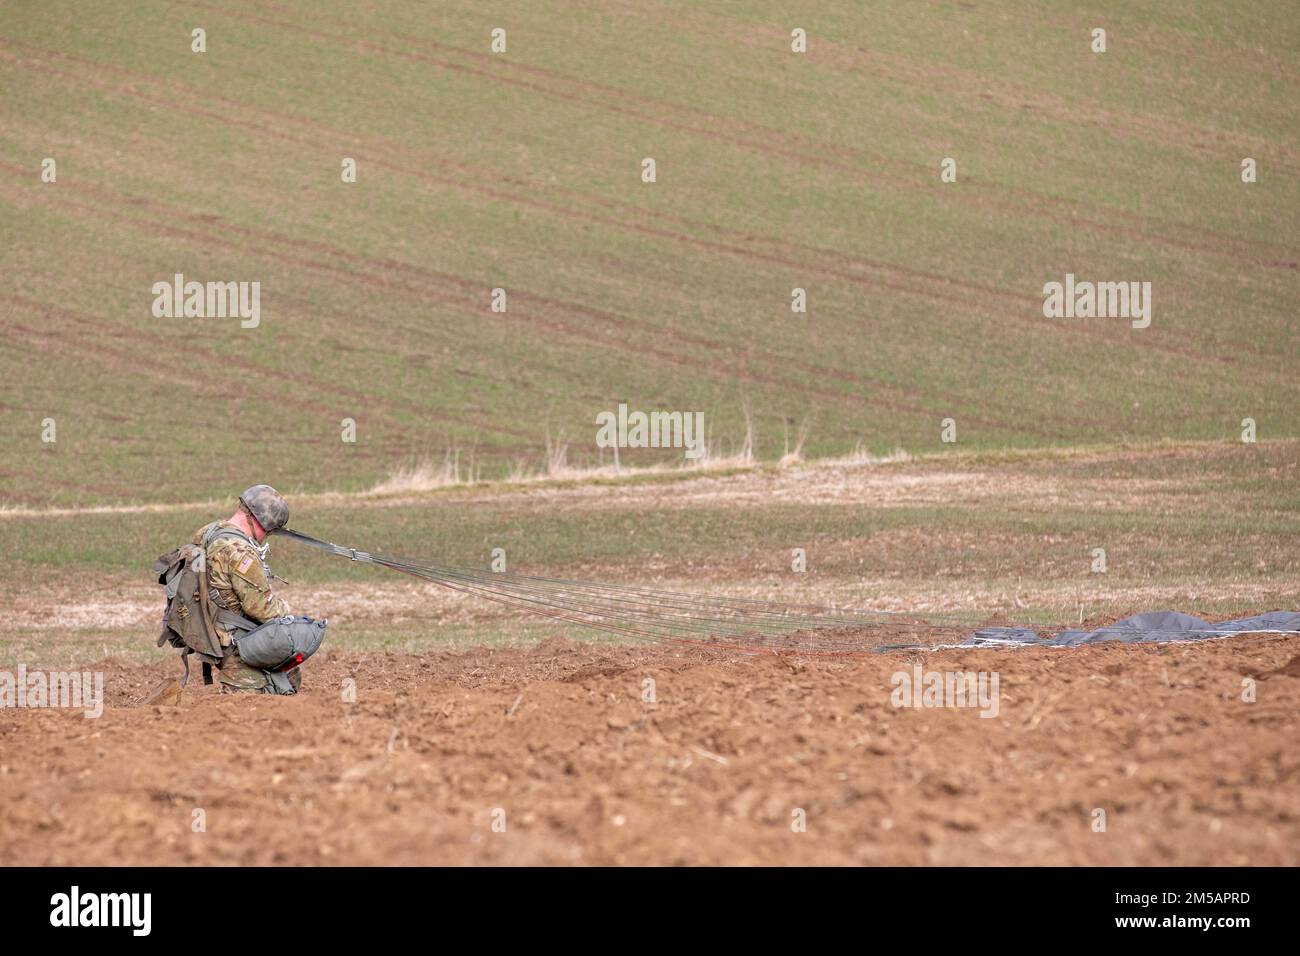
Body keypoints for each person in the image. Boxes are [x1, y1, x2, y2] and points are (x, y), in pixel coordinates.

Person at [190, 484, 296, 693]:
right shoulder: (240, 551)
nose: (266, 536)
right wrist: (288, 613)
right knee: (259, 699)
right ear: (261, 522)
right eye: (269, 531)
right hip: (234, 640)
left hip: (207, 627)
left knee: (290, 674)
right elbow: (261, 608)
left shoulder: (209, 532)